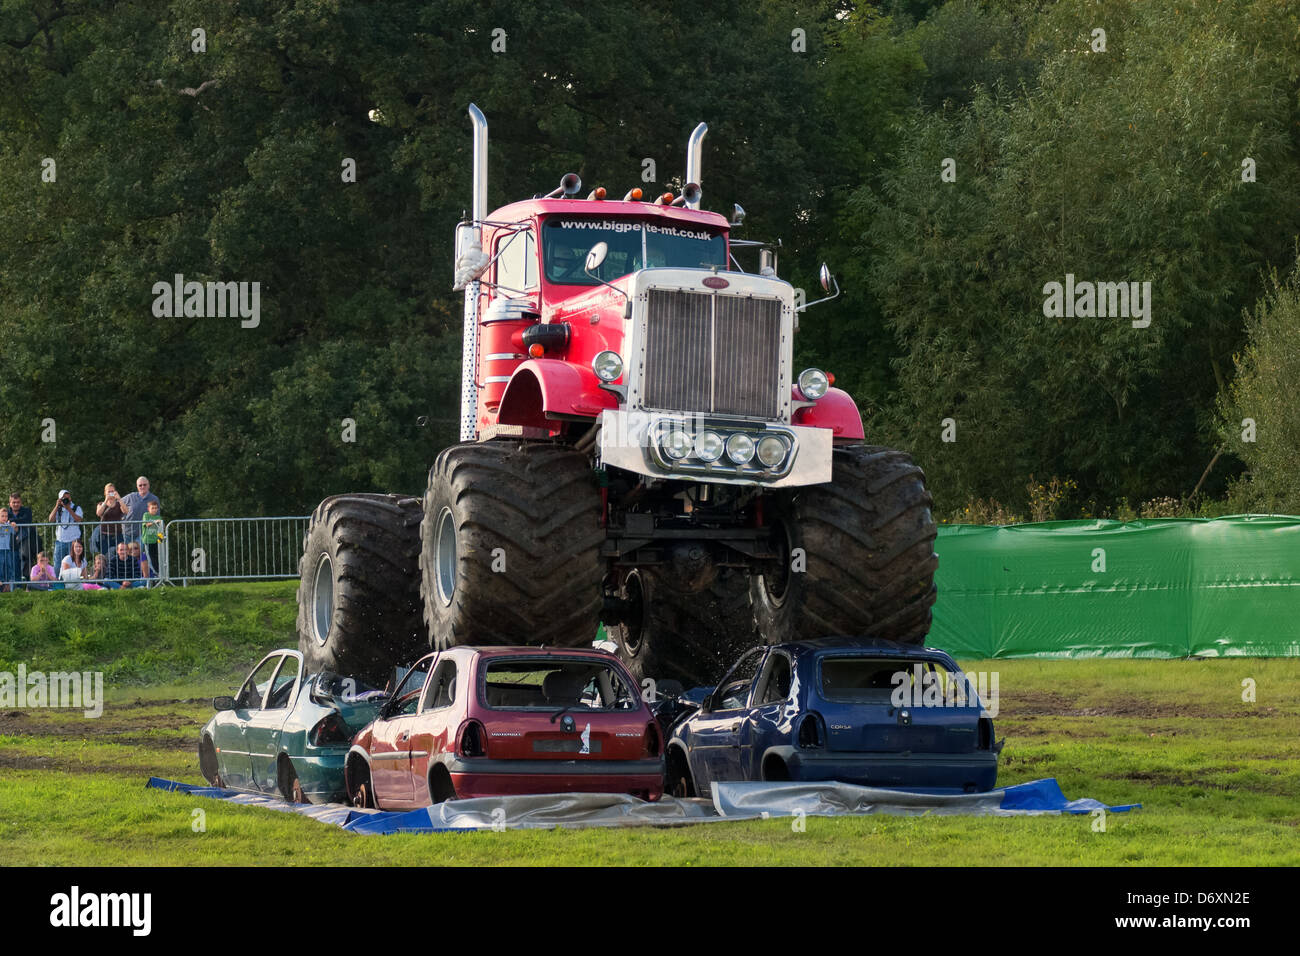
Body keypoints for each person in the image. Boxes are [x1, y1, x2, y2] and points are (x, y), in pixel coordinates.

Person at [48, 489, 84, 570]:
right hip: (60, 541)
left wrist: (69, 509)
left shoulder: (76, 508)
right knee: (57, 565)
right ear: (59, 499)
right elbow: (51, 520)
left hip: (74, 541)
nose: (66, 500)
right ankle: (58, 582)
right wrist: (57, 506)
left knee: (74, 564)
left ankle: (73, 582)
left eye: (68, 497)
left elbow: (79, 519)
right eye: (64, 498)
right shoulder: (58, 509)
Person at [119, 476, 160, 544]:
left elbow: (157, 517)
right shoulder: (130, 497)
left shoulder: (154, 499)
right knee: (127, 554)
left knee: (137, 551)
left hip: (143, 533)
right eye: (140, 485)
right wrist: (103, 504)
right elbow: (117, 503)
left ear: (148, 485)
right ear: (137, 486)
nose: (142, 487)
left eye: (144, 485)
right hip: (127, 532)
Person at [7, 492, 37, 581]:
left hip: (25, 543)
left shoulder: (27, 510)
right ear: (9, 503)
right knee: (13, 565)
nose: (16, 504)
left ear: (21, 503)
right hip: (11, 544)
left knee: (27, 564)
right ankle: (15, 587)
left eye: (18, 502)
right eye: (14, 502)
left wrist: (11, 522)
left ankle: (28, 586)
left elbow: (27, 520)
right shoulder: (6, 512)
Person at [96, 484, 125, 553]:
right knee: (105, 555)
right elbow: (98, 513)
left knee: (119, 555)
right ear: (105, 493)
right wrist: (106, 500)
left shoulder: (118, 504)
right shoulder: (101, 504)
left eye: (112, 491)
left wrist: (119, 499)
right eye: (109, 491)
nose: (110, 493)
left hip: (118, 535)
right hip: (104, 535)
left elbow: (126, 511)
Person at [140, 499, 164, 577]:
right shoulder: (146, 515)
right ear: (148, 509)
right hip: (148, 540)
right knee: (150, 557)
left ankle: (159, 572)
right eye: (152, 508)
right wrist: (155, 522)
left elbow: (161, 529)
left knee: (158, 557)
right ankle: (155, 573)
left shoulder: (159, 517)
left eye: (156, 508)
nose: (154, 510)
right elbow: (146, 524)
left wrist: (161, 540)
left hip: (156, 540)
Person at [0, 507, 16, 592]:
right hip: (0, 550)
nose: (4, 518)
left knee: (9, 566)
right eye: (2, 516)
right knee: (0, 567)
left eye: (6, 516)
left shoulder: (8, 525)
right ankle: (1, 584)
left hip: (7, 549)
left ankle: (7, 585)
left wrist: (13, 525)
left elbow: (14, 531)